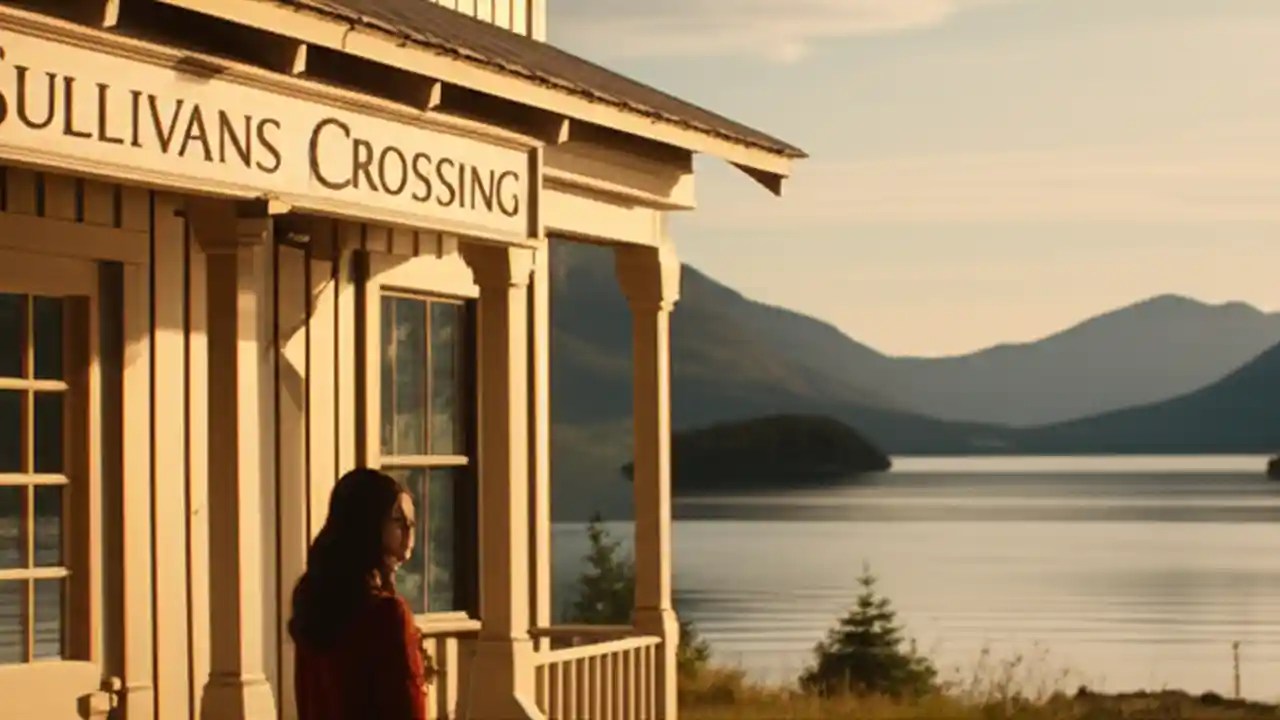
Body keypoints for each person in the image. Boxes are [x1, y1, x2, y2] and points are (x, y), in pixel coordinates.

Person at [289, 468, 429, 720]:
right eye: (398, 520)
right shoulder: (387, 615)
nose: (409, 532)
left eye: (412, 521)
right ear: (368, 523)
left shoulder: (312, 601)